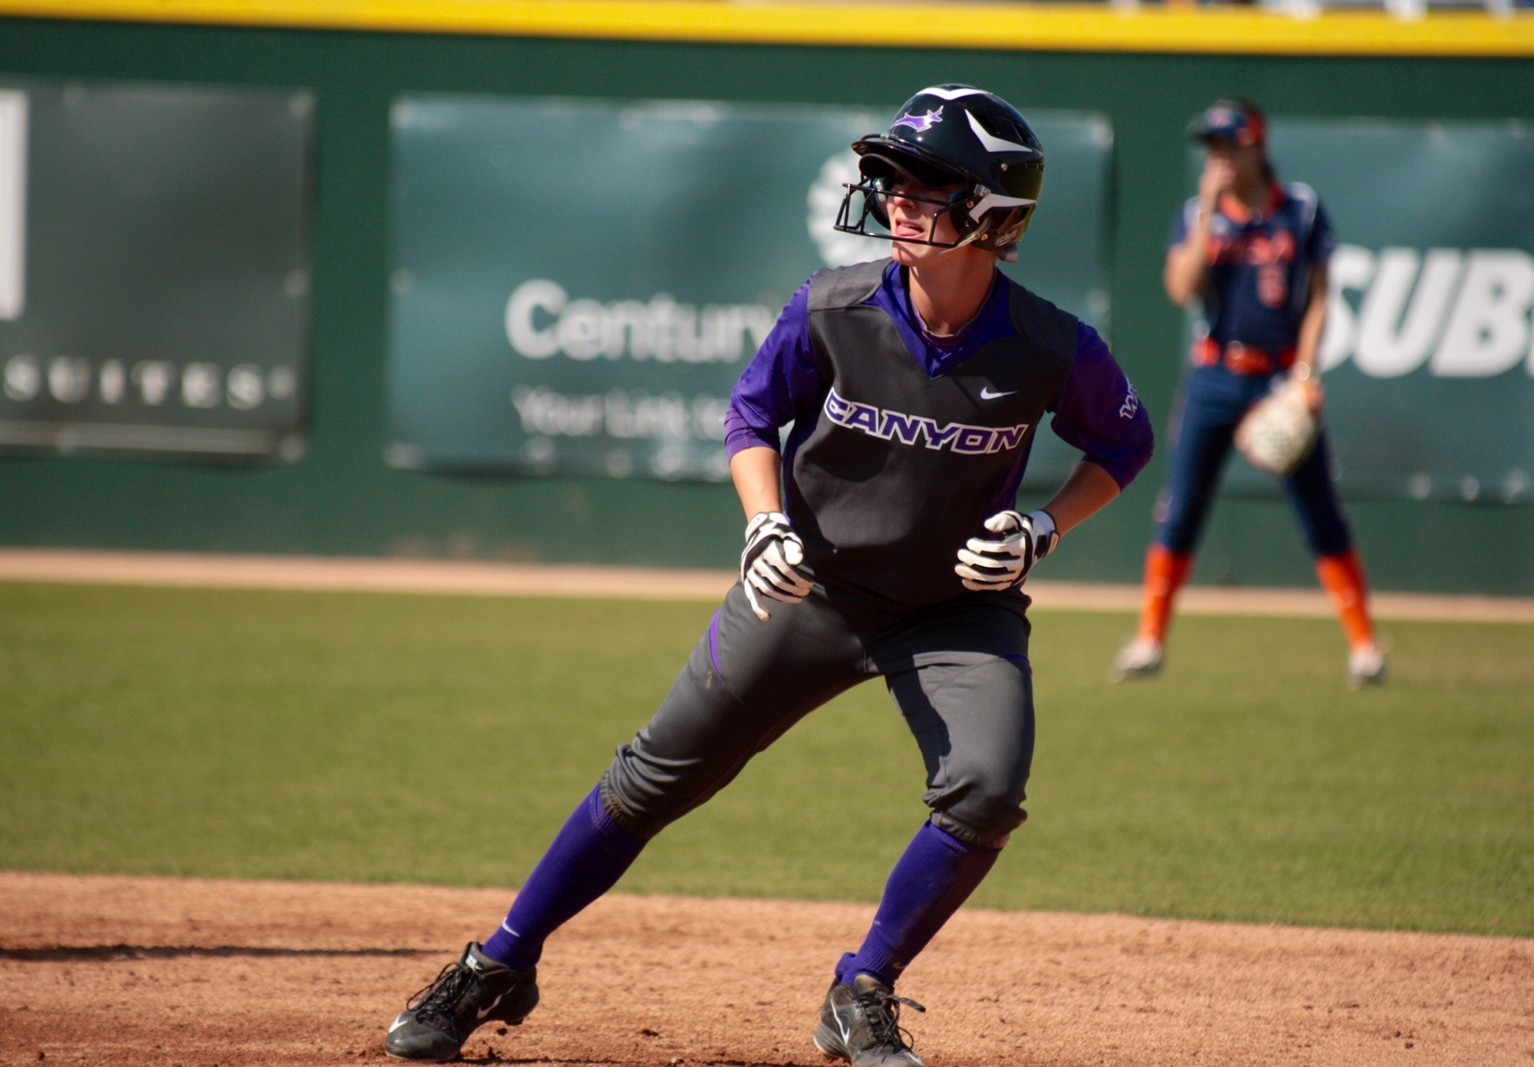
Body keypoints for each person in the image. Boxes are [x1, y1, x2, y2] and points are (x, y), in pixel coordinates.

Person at [383, 83, 1153, 1067]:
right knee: (650, 777)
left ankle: (861, 987)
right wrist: (763, 523)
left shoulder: (1050, 344)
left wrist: (1044, 527)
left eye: (928, 183)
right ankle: (499, 959)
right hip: (812, 590)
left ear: (993, 212)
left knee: (987, 791)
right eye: (893, 177)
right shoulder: (832, 307)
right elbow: (751, 417)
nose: (898, 197)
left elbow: (1123, 443)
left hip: (957, 610)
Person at [1111, 98, 1385, 688]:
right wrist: (1209, 212)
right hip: (1216, 373)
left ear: (1257, 145)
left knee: (1320, 513)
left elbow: (1319, 296)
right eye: (1213, 148)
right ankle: (1150, 639)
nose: (1221, 158)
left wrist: (1307, 375)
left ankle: (1366, 646)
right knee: (1181, 509)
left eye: (1230, 146)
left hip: (1280, 377)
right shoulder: (1199, 214)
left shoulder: (1301, 210)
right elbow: (1181, 288)